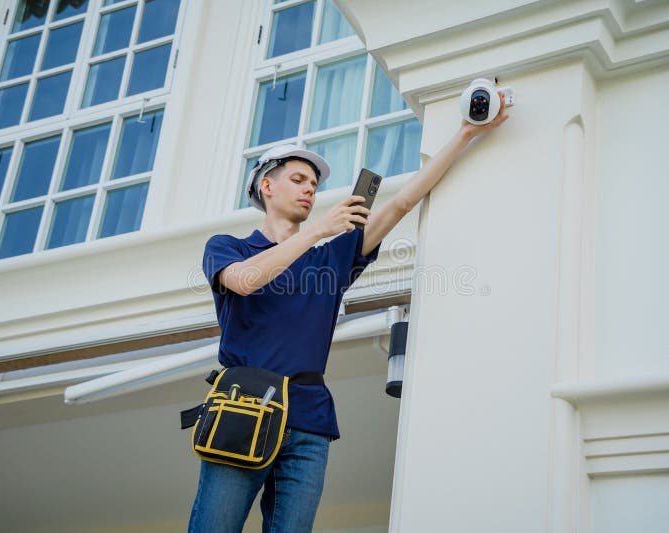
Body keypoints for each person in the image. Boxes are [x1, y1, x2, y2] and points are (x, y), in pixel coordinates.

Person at [188, 93, 510, 533]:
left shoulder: (331, 259)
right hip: (243, 407)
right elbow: (245, 281)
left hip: (308, 419)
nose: (309, 190)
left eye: (313, 185)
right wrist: (318, 229)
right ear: (267, 186)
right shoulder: (228, 248)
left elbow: (400, 204)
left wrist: (466, 134)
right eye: (299, 179)